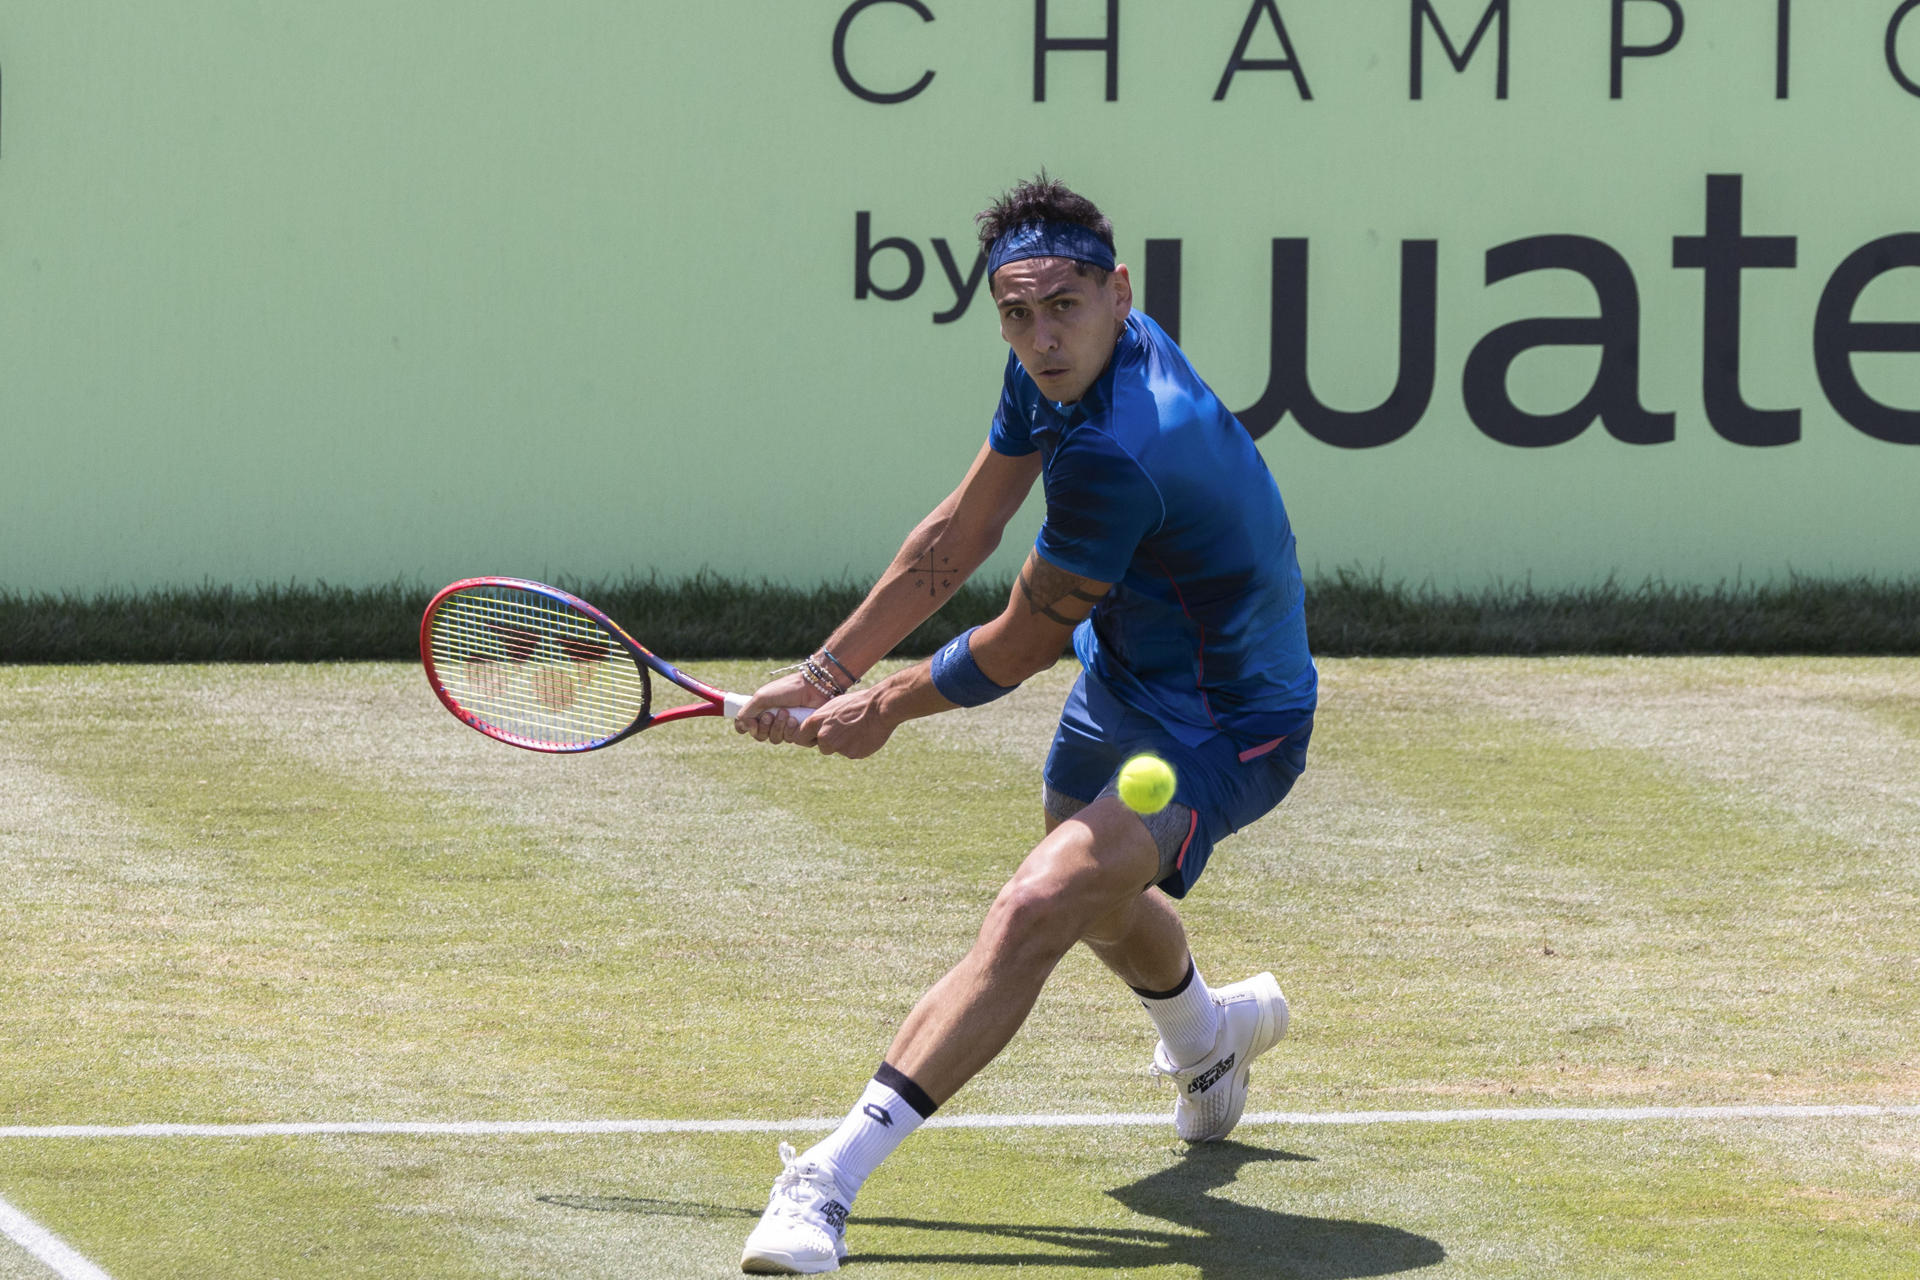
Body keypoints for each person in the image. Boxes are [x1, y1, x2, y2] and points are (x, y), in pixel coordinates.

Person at [732, 174, 1318, 1275]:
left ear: (1120, 295)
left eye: (1065, 307)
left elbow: (1015, 643)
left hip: (1233, 720)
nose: (1042, 336)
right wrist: (822, 671)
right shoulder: (1055, 373)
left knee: (1037, 901)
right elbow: (957, 538)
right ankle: (1207, 1037)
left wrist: (879, 707)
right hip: (1129, 676)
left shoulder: (1123, 449)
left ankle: (823, 1180)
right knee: (1092, 879)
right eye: (1017, 312)